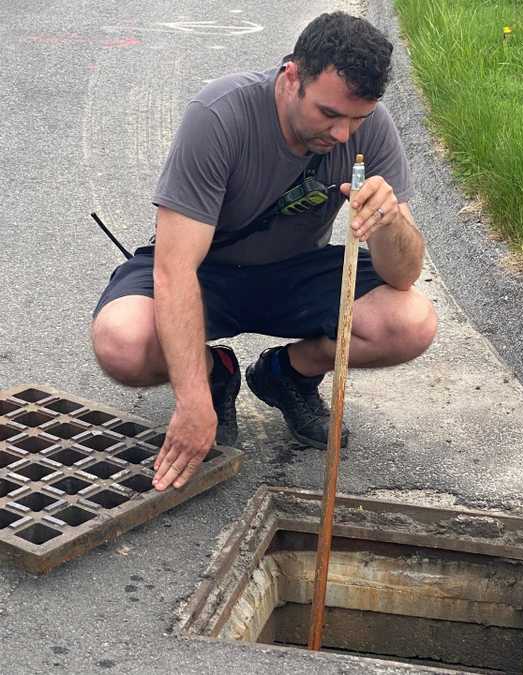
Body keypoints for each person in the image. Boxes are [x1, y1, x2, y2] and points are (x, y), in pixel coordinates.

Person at [89, 12, 438, 492]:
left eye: (356, 118)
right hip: (206, 272)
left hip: (293, 272)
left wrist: (391, 220)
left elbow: (403, 274)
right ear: (292, 75)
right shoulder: (220, 116)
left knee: (411, 321)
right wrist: (192, 404)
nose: (342, 134)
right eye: (329, 114)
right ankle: (216, 375)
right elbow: (175, 269)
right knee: (122, 344)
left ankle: (287, 375)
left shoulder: (370, 129)